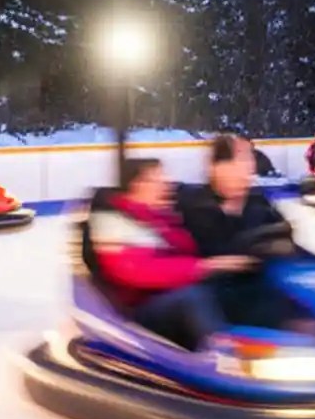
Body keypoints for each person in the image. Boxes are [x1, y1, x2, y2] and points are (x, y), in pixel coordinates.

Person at [90, 158, 255, 350]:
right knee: (192, 297)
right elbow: (138, 272)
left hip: (171, 294)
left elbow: (188, 250)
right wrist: (205, 267)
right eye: (158, 178)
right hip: (140, 307)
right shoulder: (114, 222)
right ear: (138, 185)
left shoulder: (158, 216)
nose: (166, 183)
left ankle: (272, 342)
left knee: (241, 286)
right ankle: (223, 357)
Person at [178, 135, 293, 329]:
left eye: (249, 159)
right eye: (239, 159)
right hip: (217, 301)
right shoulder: (195, 203)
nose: (248, 167)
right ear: (216, 167)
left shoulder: (258, 202)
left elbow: (284, 235)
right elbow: (216, 252)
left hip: (264, 291)